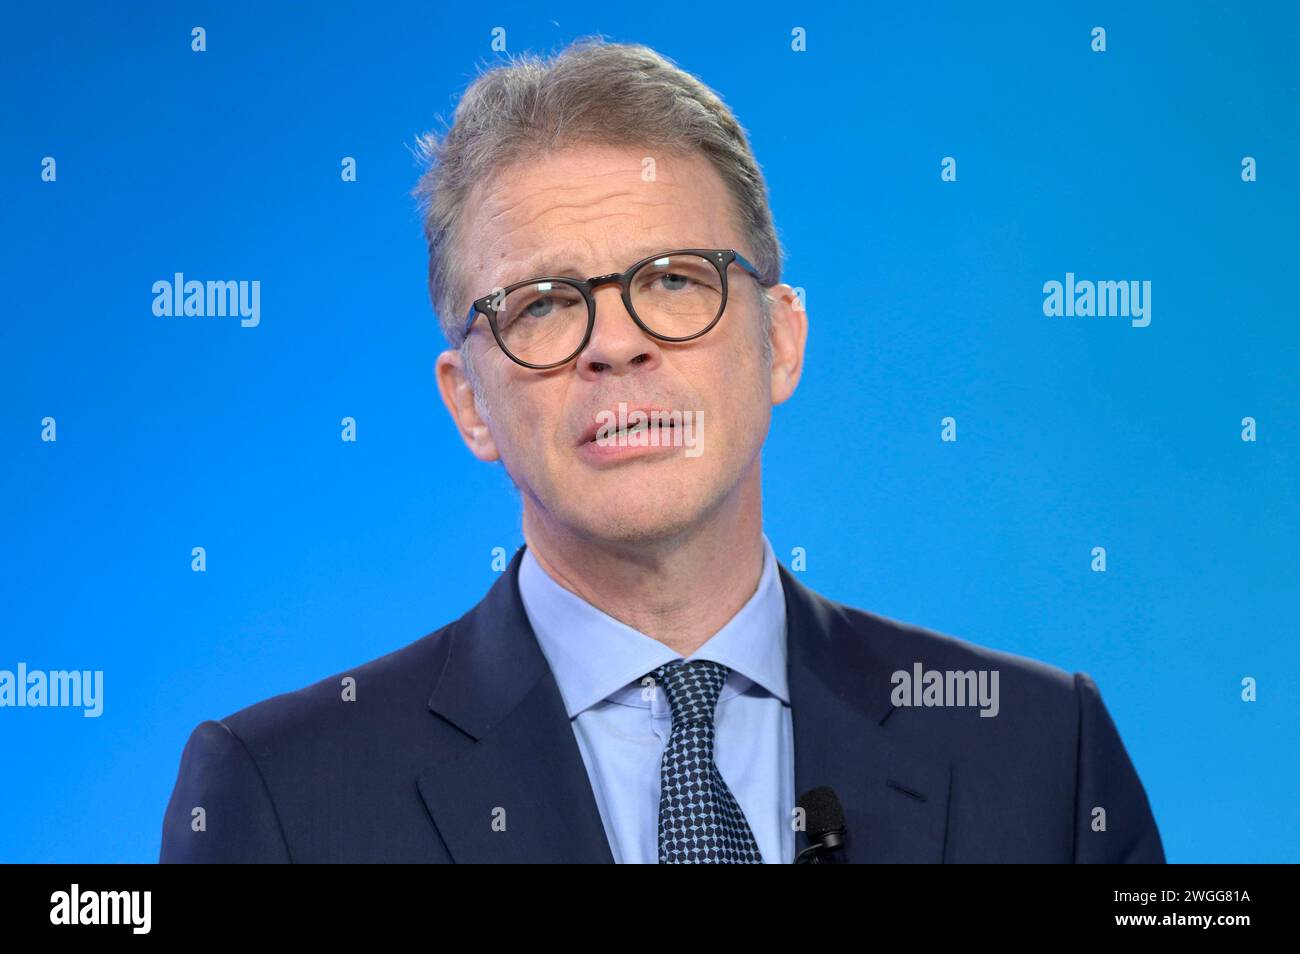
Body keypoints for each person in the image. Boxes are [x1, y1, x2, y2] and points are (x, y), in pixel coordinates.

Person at [160, 37, 1164, 863]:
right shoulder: (280, 800)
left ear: (779, 340)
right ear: (468, 403)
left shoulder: (1039, 752)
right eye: (544, 304)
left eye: (675, 280)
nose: (616, 342)